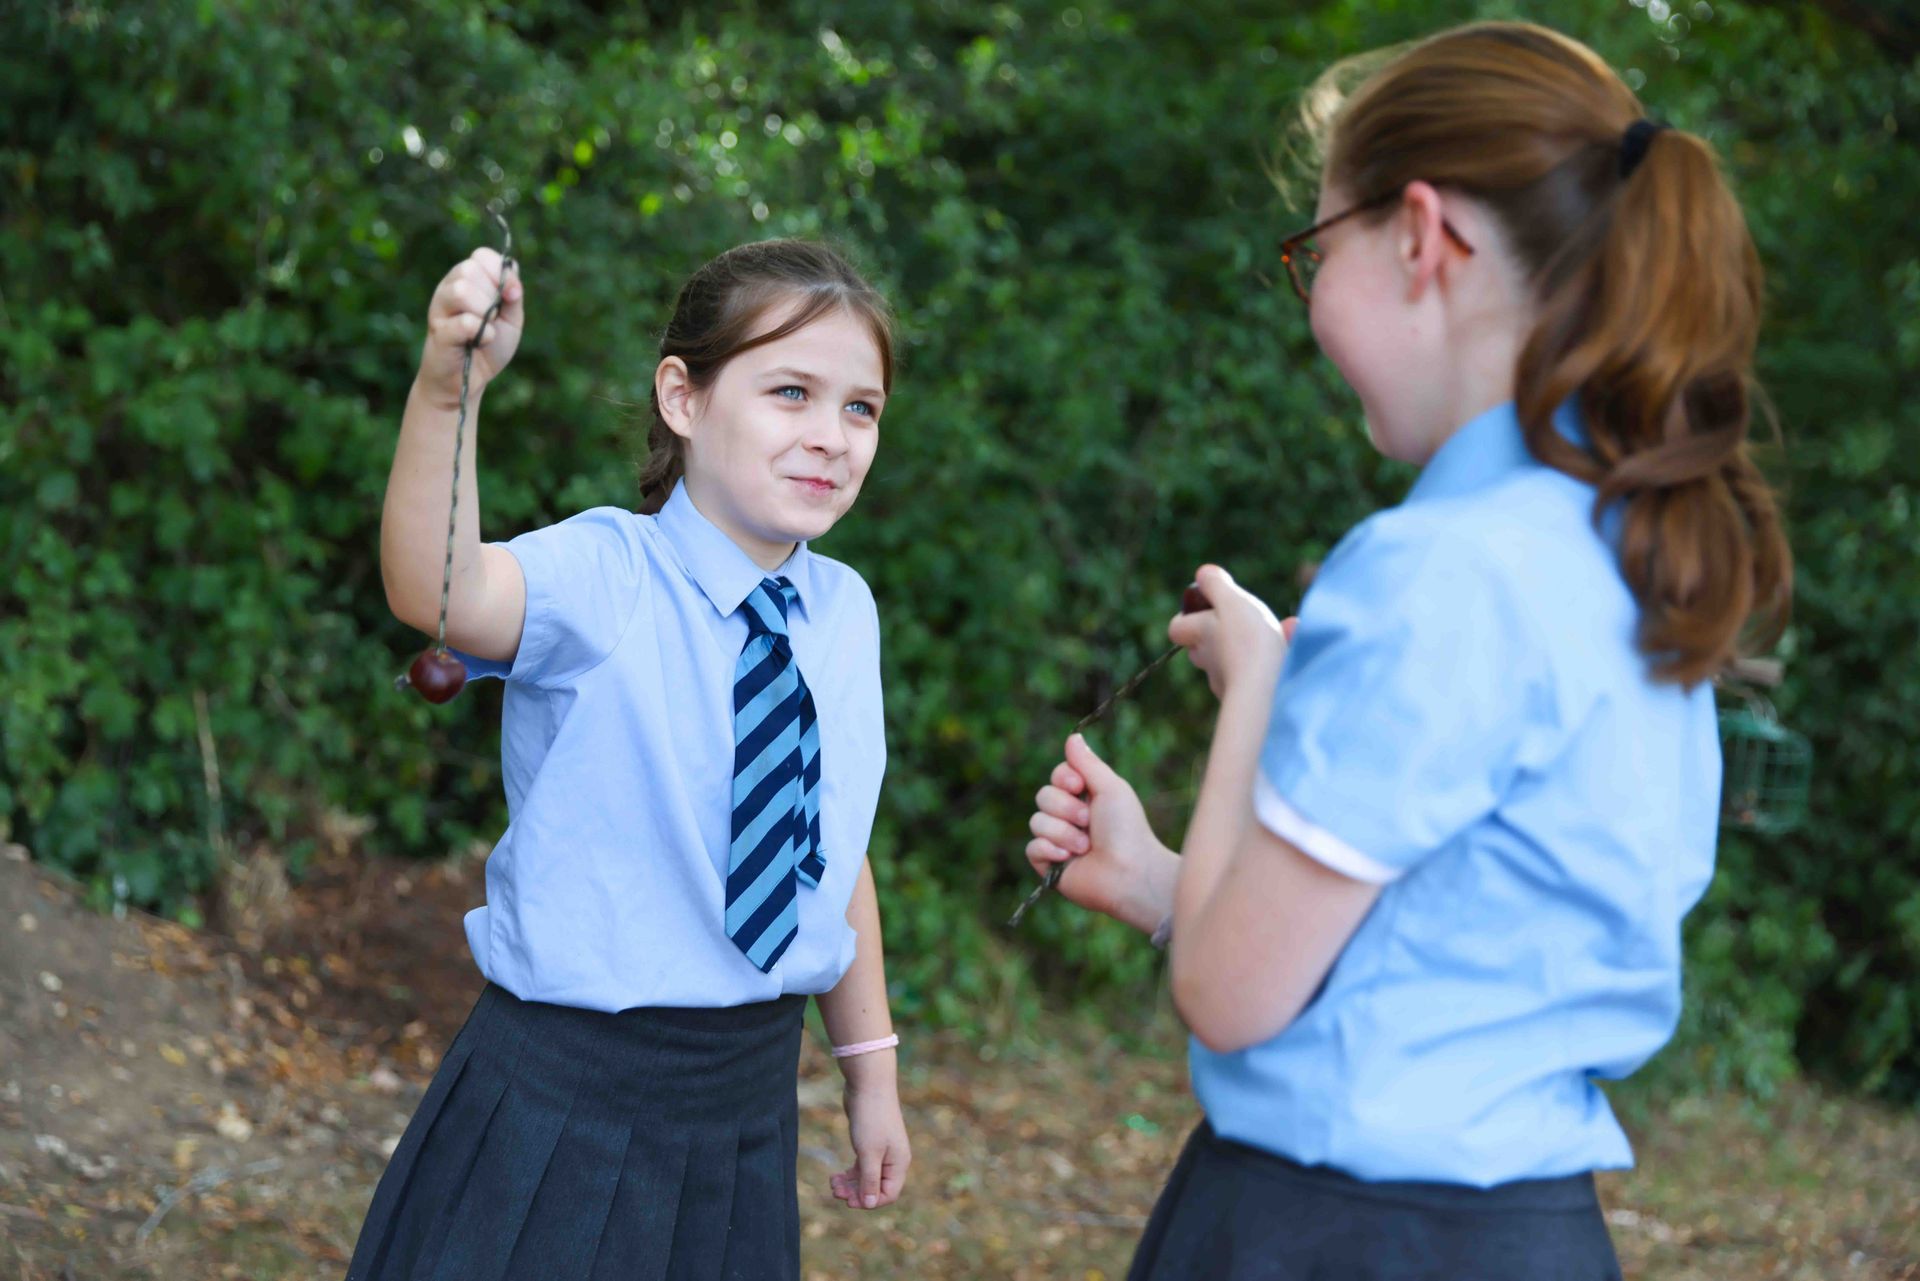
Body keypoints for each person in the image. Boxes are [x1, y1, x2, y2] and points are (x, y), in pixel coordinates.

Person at [1024, 21, 1790, 1280]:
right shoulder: (1637, 559)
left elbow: (1229, 997)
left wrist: (1261, 686)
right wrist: (1165, 886)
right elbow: (1432, 963)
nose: (1309, 293)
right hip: (1527, 1237)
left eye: (1312, 251)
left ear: (1422, 236)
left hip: (1335, 1238)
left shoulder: (1441, 569)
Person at [351, 237, 910, 1281]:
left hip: (744, 1112)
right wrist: (447, 394)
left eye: (860, 407)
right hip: (565, 1105)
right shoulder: (605, 574)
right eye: (790, 392)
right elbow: (441, 593)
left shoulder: (845, 614)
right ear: (683, 398)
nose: (831, 437)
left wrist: (868, 1073)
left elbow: (830, 853)